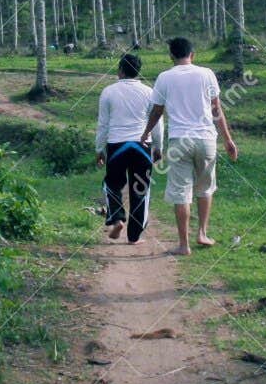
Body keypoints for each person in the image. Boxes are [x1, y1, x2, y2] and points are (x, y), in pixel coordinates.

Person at [141, 37, 238, 256]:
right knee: (205, 188)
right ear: (192, 54)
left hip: (179, 141)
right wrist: (228, 140)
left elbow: (157, 112)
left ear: (171, 56)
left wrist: (146, 133)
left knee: (181, 192)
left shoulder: (164, 77)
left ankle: (183, 245)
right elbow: (217, 110)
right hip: (206, 139)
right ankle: (202, 233)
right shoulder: (207, 74)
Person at [95, 53, 163, 244]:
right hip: (142, 145)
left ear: (120, 71)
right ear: (138, 71)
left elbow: (103, 124)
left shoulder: (108, 91)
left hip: (117, 145)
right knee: (141, 189)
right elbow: (157, 121)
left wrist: (99, 149)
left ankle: (117, 218)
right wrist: (158, 146)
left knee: (112, 184)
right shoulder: (149, 92)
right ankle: (134, 236)